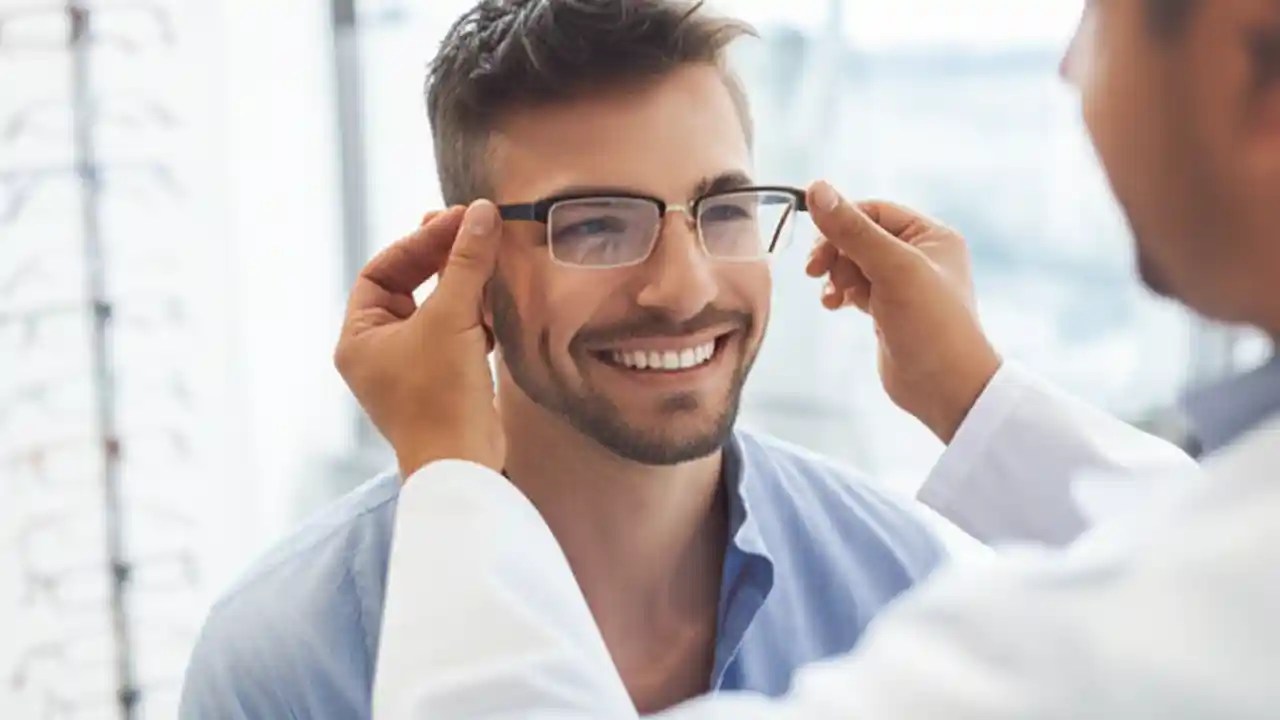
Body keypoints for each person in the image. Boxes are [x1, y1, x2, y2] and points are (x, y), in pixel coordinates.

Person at [180, 1, 1192, 719]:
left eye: (721, 210)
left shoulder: (902, 584)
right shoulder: (283, 657)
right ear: (462, 266)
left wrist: (974, 392)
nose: (682, 285)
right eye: (593, 225)